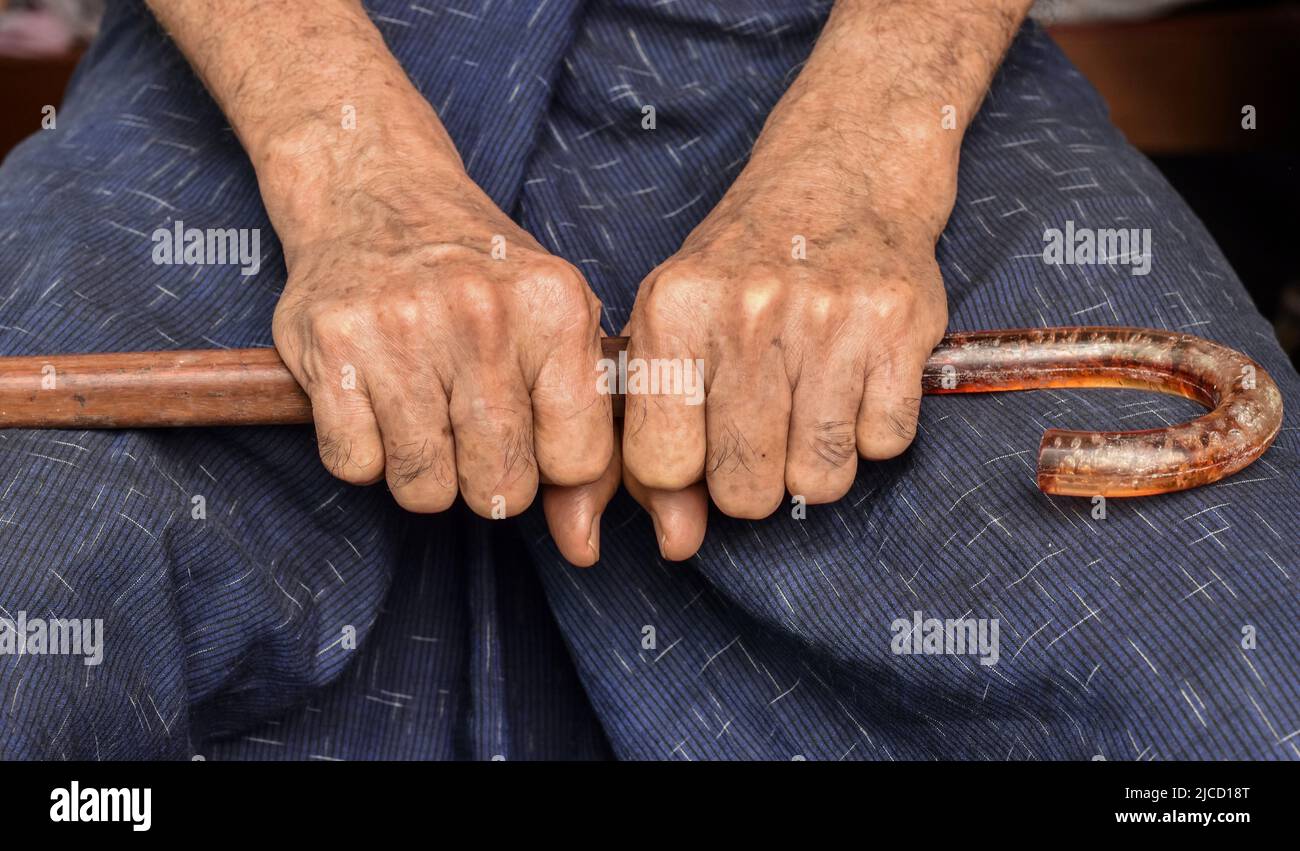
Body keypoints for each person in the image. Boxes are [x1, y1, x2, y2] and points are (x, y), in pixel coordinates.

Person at [0, 0, 1295, 760]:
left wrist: (864, 169)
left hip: (866, 57)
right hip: (270, 63)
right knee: (33, 625)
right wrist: (354, 177)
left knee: (1234, 679)